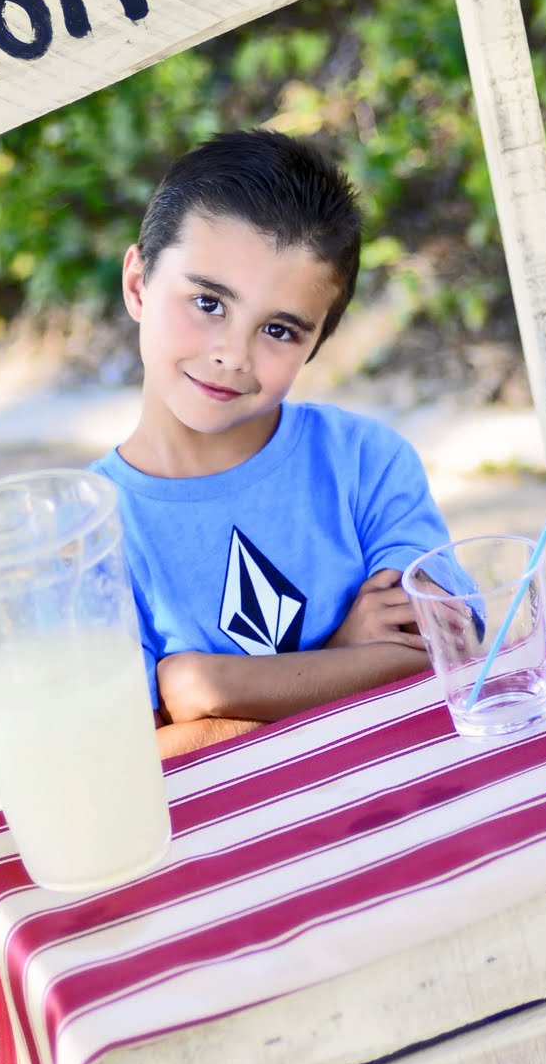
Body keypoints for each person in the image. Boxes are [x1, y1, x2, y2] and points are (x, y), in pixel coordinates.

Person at [91, 128, 454, 758]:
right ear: (138, 284)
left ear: (316, 344)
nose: (233, 353)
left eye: (280, 330)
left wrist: (206, 687)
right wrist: (346, 657)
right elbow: (136, 758)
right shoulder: (89, 534)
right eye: (208, 302)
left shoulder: (363, 463)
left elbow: (437, 650)